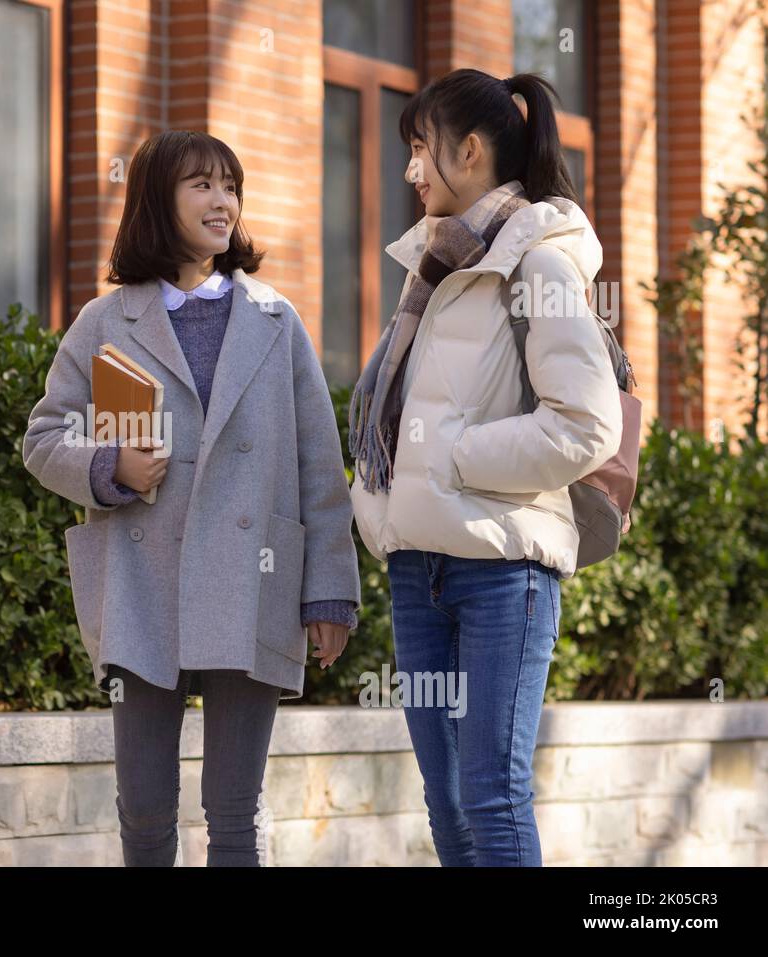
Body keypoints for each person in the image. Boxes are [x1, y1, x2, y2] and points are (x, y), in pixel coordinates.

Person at [22, 130, 361, 866]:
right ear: (155, 200)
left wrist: (330, 593)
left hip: (254, 582)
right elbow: (42, 439)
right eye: (202, 184)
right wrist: (110, 467)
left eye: (231, 186)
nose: (222, 201)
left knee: (236, 815)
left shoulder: (276, 320)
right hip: (143, 591)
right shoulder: (104, 322)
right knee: (144, 816)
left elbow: (319, 466)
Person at [348, 69, 624, 866]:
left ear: (468, 151)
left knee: (492, 795)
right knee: (448, 801)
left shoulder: (539, 264)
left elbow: (587, 421)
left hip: (504, 570)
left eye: (418, 150)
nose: (410, 171)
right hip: (418, 567)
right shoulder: (431, 267)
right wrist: (384, 506)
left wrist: (454, 461)